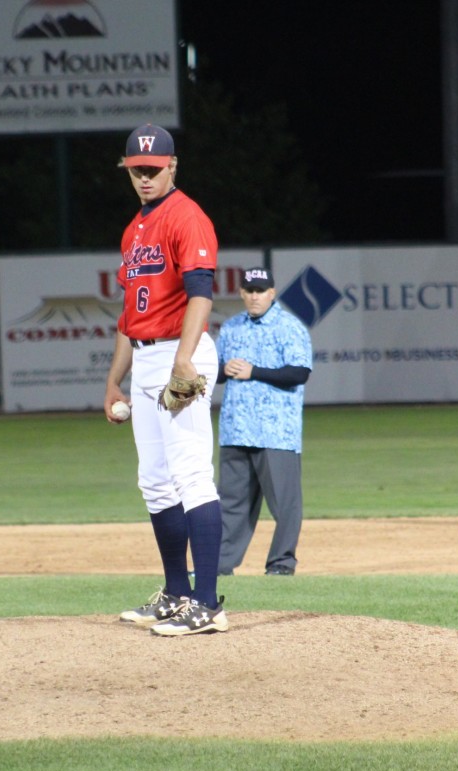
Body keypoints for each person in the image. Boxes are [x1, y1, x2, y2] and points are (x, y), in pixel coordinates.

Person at [103, 123, 228, 636]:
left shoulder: (187, 217)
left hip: (184, 354)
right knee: (154, 480)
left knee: (191, 472)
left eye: (153, 169)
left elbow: (202, 293)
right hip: (147, 358)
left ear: (173, 165)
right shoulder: (134, 230)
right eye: (137, 170)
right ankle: (176, 592)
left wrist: (185, 358)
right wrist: (114, 380)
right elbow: (129, 316)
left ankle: (207, 604)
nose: (145, 177)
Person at [215, 267, 313, 576]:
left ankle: (281, 564)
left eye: (261, 290)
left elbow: (299, 373)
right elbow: (211, 374)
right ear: (242, 293)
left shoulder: (289, 327)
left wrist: (254, 371)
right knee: (230, 503)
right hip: (235, 429)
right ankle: (220, 564)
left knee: (285, 504)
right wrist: (222, 369)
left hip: (276, 432)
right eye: (250, 290)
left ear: (272, 292)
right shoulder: (231, 328)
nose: (255, 296)